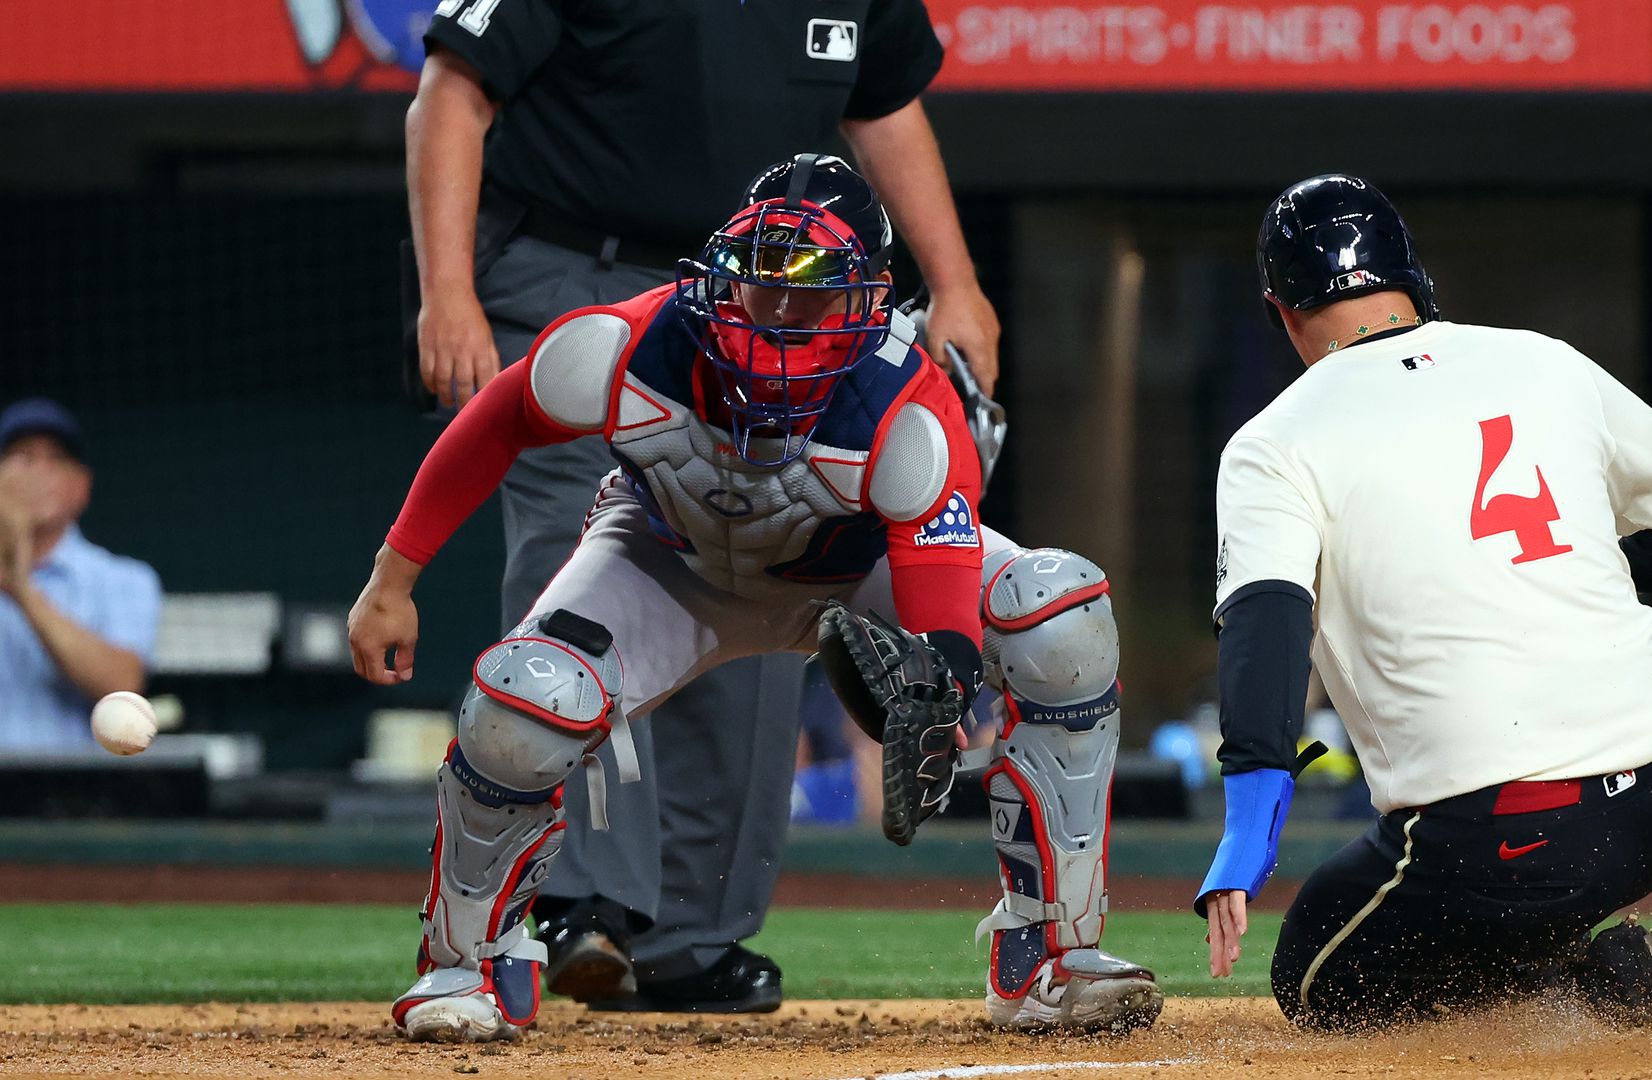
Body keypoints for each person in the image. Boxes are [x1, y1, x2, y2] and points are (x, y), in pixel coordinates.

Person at [349, 156, 1161, 1043]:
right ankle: (465, 966)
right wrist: (392, 580)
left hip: (849, 572)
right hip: (667, 561)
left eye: (811, 293)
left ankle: (1048, 958)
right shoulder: (629, 343)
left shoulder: (908, 409)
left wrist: (945, 688)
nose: (777, 317)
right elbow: (500, 416)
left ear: (873, 299)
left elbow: (941, 592)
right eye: (761, 286)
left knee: (1059, 614)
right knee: (525, 699)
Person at [407, 0, 1001, 1011]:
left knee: (773, 579)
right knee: (585, 575)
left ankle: (693, 934)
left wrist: (956, 281)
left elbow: (887, 106)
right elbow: (451, 94)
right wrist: (447, 289)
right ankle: (580, 902)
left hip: (786, 304)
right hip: (580, 271)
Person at [1195, 174, 1652, 1033]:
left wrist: (1248, 833)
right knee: (1499, 888)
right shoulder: (1542, 358)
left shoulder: (1272, 442)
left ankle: (1592, 990)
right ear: (1412, 275)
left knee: (1319, 979)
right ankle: (1605, 965)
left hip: (1516, 839)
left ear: (1279, 311)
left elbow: (1266, 632)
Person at [0, 399, 161, 750]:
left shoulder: (123, 579)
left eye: (55, 458)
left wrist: (21, 589)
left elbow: (121, 687)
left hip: (72, 797)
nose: (37, 473)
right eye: (23, 456)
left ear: (81, 486)